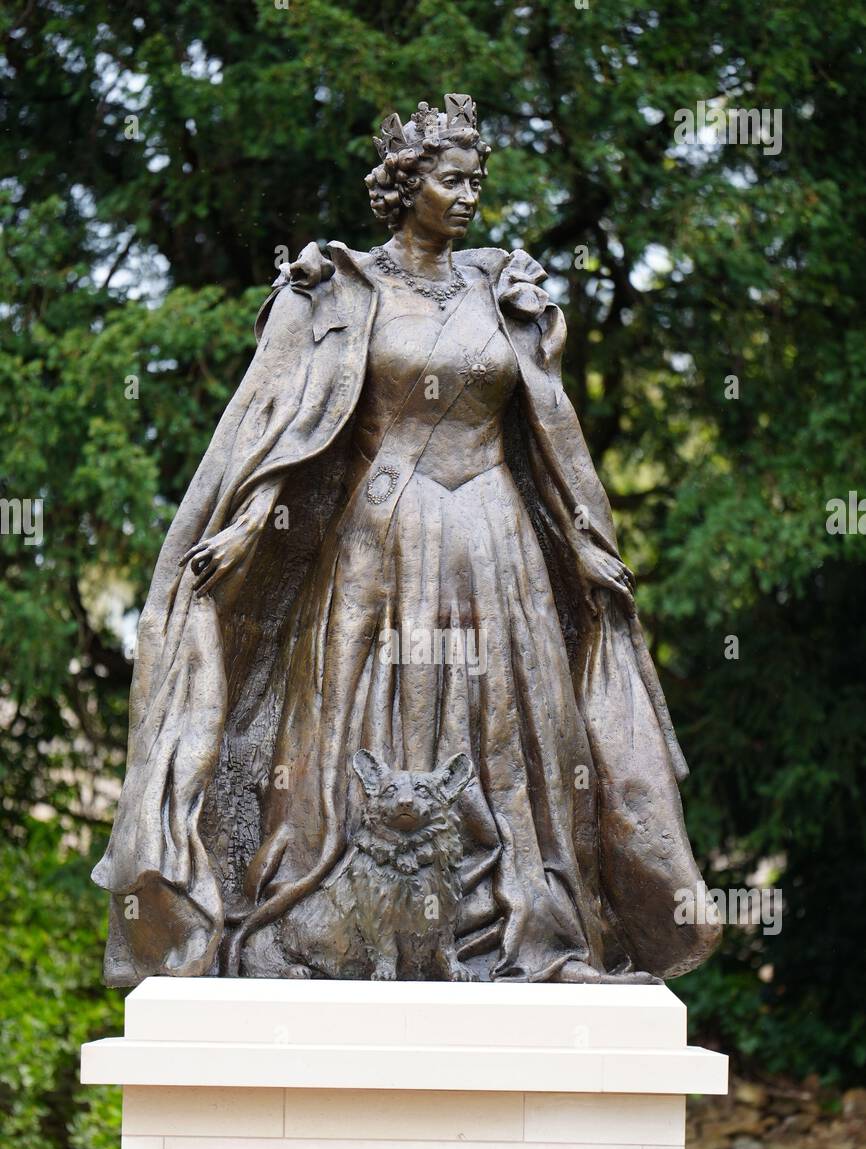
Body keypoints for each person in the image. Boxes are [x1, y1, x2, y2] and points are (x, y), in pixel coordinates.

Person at [93, 95, 720, 986]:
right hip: (376, 540)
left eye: (477, 181)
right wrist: (242, 526)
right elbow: (273, 425)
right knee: (361, 710)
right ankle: (343, 925)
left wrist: (579, 540)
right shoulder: (339, 287)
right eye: (451, 180)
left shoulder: (504, 291)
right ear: (404, 186)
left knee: (514, 722)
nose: (469, 197)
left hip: (497, 537)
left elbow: (545, 434)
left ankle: (518, 925)